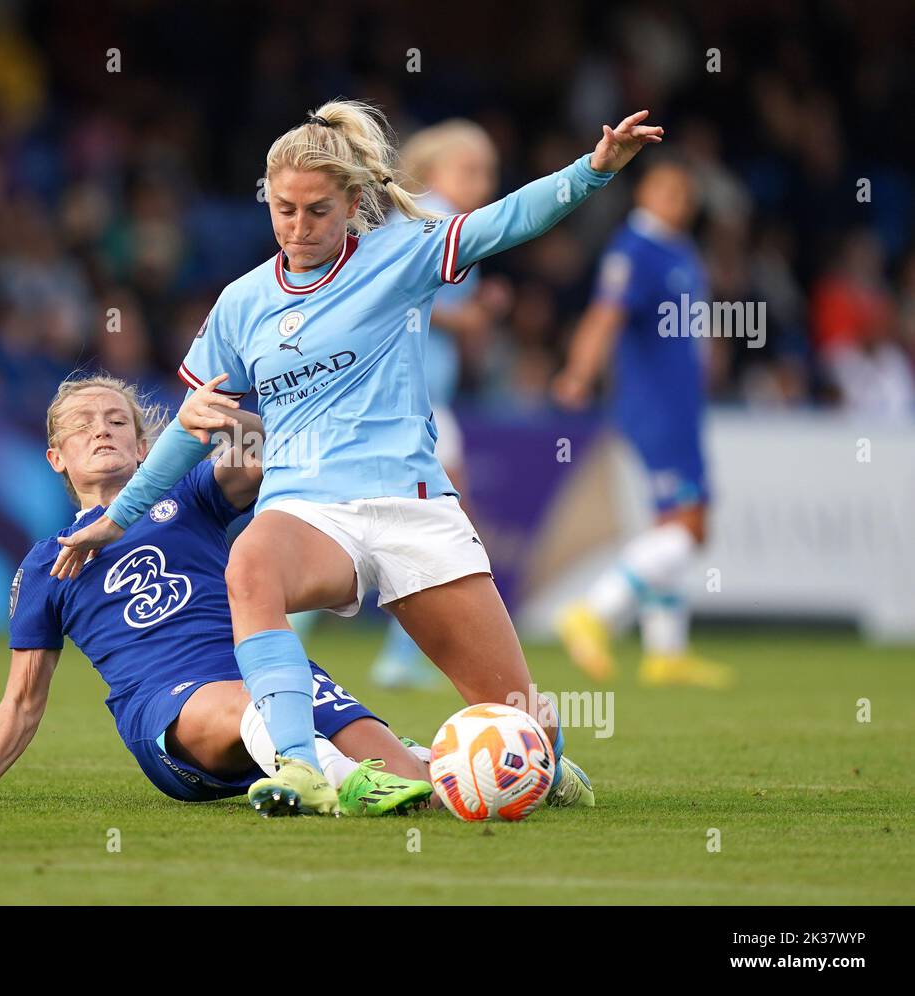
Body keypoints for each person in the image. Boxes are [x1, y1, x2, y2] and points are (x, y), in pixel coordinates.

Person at [52, 98, 659, 815]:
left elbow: (507, 220)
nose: (298, 228)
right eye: (283, 210)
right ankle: (300, 768)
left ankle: (542, 765)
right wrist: (118, 518)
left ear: (353, 203)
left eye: (316, 211)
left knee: (529, 724)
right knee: (250, 566)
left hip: (412, 506)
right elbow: (192, 425)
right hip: (307, 507)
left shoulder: (402, 255)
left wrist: (595, 170)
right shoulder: (242, 304)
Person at [0, 374, 436, 815]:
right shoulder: (48, 563)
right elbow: (21, 703)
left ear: (143, 448)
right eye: (82, 427)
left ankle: (442, 764)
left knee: (419, 782)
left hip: (276, 673)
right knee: (252, 701)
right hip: (169, 715)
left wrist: (224, 417)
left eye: (117, 422)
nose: (101, 432)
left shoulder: (188, 497)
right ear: (55, 458)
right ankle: (336, 781)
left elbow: (281, 450)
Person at [551, 160, 735, 689]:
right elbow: (605, 314)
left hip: (681, 406)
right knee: (689, 527)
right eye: (668, 186)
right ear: (645, 191)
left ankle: (666, 653)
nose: (680, 198)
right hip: (651, 407)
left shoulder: (680, 249)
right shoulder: (633, 249)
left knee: (671, 525)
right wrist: (579, 373)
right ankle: (593, 612)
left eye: (686, 190)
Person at [370, 118, 501, 690]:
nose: (483, 181)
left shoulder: (422, 218)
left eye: (488, 172)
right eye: (470, 168)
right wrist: (476, 314)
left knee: (406, 527)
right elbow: (399, 295)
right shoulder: (437, 221)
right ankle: (401, 656)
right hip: (412, 402)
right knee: (448, 528)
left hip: (420, 399)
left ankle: (286, 630)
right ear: (433, 172)